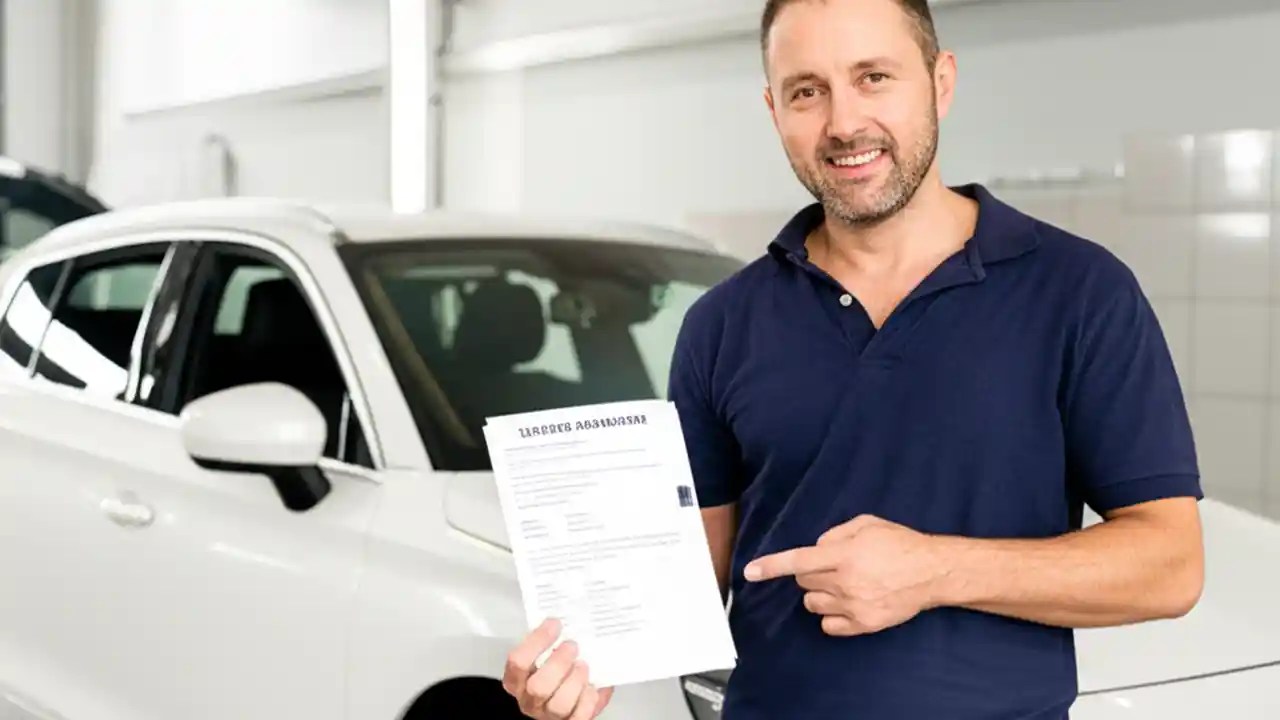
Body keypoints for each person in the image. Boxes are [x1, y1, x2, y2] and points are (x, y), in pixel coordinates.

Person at [502, 0, 1205, 717]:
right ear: (775, 111)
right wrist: (582, 665)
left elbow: (1170, 567)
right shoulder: (722, 323)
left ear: (940, 82)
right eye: (807, 91)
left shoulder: (1079, 291)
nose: (843, 123)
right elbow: (686, 583)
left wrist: (935, 570)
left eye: (873, 77)